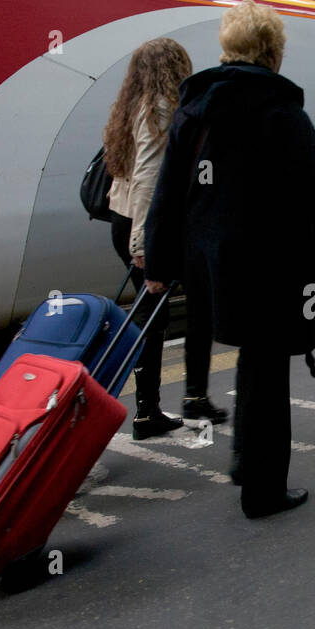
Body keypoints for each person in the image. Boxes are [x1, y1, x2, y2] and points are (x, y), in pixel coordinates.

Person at [143, 0, 315, 519]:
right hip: (269, 265)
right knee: (266, 371)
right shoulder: (280, 112)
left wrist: (158, 265)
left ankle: (248, 463)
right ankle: (263, 490)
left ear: (229, 48)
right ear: (273, 51)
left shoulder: (194, 110)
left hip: (211, 265)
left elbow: (167, 193)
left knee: (253, 360)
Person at [103, 38, 226, 439]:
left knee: (158, 315)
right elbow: (148, 179)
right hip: (151, 226)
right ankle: (168, 405)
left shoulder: (128, 108)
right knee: (174, 313)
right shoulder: (158, 109)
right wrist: (144, 245)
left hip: (128, 220)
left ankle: (161, 406)